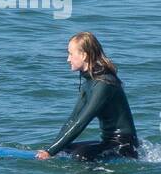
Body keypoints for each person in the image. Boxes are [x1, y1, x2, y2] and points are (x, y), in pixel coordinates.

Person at [37, 31, 139, 161]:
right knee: (64, 149)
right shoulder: (89, 83)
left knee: (81, 155)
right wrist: (51, 149)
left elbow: (82, 122)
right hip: (108, 142)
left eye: (70, 54)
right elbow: (72, 120)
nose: (68, 59)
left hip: (124, 146)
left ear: (84, 55)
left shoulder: (104, 84)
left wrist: (50, 152)